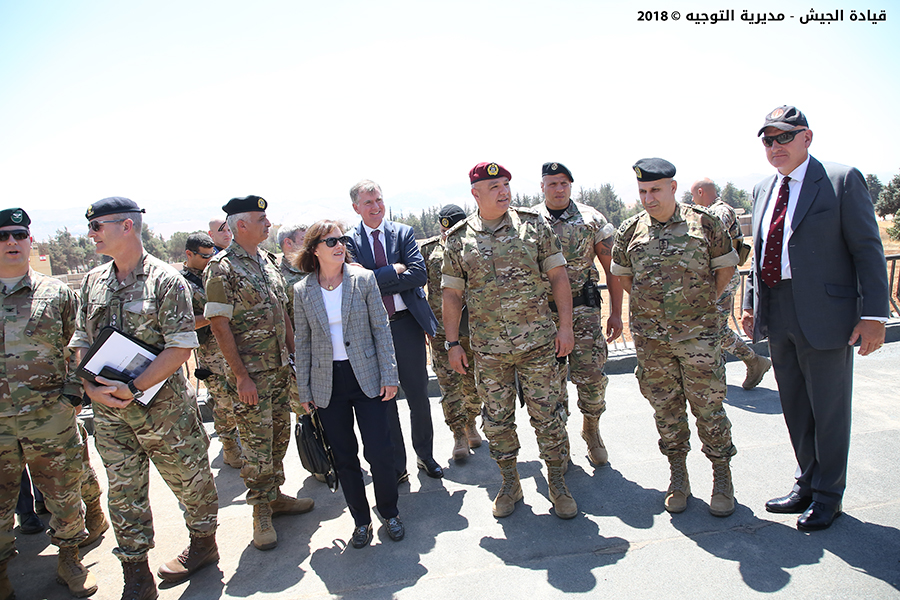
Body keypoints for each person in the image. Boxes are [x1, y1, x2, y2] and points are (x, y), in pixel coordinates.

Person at [741, 106, 890, 531]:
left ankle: (829, 495)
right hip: (779, 309)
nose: (775, 147)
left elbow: (867, 250)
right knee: (795, 406)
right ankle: (806, 482)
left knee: (828, 409)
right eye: (768, 140)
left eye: (784, 137)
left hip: (828, 314)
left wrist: (874, 315)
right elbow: (760, 253)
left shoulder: (841, 181)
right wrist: (752, 303)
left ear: (807, 138)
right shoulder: (763, 189)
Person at [442, 162, 577, 519]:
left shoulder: (534, 225)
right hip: (489, 351)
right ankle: (509, 482)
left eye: (506, 184)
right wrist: (453, 344)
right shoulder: (458, 239)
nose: (503, 191)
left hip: (537, 344)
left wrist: (566, 327)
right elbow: (452, 296)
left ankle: (557, 482)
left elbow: (559, 277)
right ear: (476, 194)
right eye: (494, 187)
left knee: (548, 416)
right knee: (497, 420)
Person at [612, 159, 739, 517]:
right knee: (666, 410)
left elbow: (726, 266)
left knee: (708, 408)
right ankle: (678, 477)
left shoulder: (705, 222)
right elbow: (624, 277)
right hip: (653, 343)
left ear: (672, 187)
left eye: (655, 190)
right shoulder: (629, 230)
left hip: (698, 337)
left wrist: (703, 304)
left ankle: (721, 478)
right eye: (642, 192)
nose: (648, 198)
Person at [204, 195, 314, 551]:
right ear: (241, 226)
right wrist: (241, 377)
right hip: (251, 374)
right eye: (261, 219)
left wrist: (296, 358)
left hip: (279, 369)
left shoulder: (265, 263)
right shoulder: (221, 268)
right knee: (255, 445)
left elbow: (281, 312)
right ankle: (260, 512)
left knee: (279, 434)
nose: (268, 225)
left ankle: (276, 495)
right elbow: (219, 325)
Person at [0, 208, 97, 599]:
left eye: (18, 235)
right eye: (2, 235)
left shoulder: (56, 293)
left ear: (30, 240)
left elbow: (80, 346)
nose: (11, 242)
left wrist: (72, 394)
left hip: (49, 418)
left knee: (64, 492)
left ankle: (70, 559)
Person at [294, 220, 404, 548]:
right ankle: (360, 521)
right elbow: (303, 342)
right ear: (315, 249)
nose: (339, 245)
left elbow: (381, 329)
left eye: (341, 240)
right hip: (328, 383)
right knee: (344, 457)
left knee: (380, 452)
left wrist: (389, 375)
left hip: (367, 378)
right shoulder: (302, 291)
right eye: (330, 242)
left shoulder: (364, 280)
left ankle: (390, 511)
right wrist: (305, 390)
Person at [345, 180, 442, 482]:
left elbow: (419, 274)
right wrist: (394, 270)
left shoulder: (403, 233)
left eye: (379, 200)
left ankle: (425, 456)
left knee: (418, 396)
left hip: (406, 326)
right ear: (356, 207)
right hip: (373, 333)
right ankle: (397, 467)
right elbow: (354, 285)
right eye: (368, 202)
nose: (375, 207)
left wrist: (376, 277)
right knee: (385, 400)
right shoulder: (348, 242)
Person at [536, 162, 624, 466]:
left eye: (564, 183)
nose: (559, 189)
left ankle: (592, 429)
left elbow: (611, 267)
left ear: (571, 186)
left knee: (592, 377)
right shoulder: (531, 222)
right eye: (552, 184)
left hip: (584, 313)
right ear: (542, 187)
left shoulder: (591, 219)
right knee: (550, 384)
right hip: (545, 318)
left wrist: (615, 313)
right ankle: (559, 443)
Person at [690, 178, 772, 390]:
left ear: (701, 192)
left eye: (693, 196)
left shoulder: (721, 211)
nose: (692, 200)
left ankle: (754, 360)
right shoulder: (711, 212)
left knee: (715, 327)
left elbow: (708, 236)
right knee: (711, 326)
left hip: (723, 277)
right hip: (714, 277)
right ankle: (720, 371)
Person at [420, 205, 482, 462]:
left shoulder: (476, 245)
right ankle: (458, 435)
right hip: (442, 332)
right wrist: (425, 322)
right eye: (444, 227)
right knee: (448, 383)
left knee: (474, 382)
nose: (447, 232)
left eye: (452, 227)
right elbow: (417, 289)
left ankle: (470, 423)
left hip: (476, 329)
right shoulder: (428, 250)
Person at [181, 232, 242, 468]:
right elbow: (184, 321)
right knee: (223, 404)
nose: (210, 259)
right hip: (211, 355)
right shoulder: (182, 284)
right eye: (204, 256)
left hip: (233, 347)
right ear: (189, 254)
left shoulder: (216, 273)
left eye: (212, 254)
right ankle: (230, 448)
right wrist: (215, 315)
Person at [277, 223, 308, 290]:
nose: (309, 243)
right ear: (288, 243)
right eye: (304, 239)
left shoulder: (318, 266)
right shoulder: (279, 278)